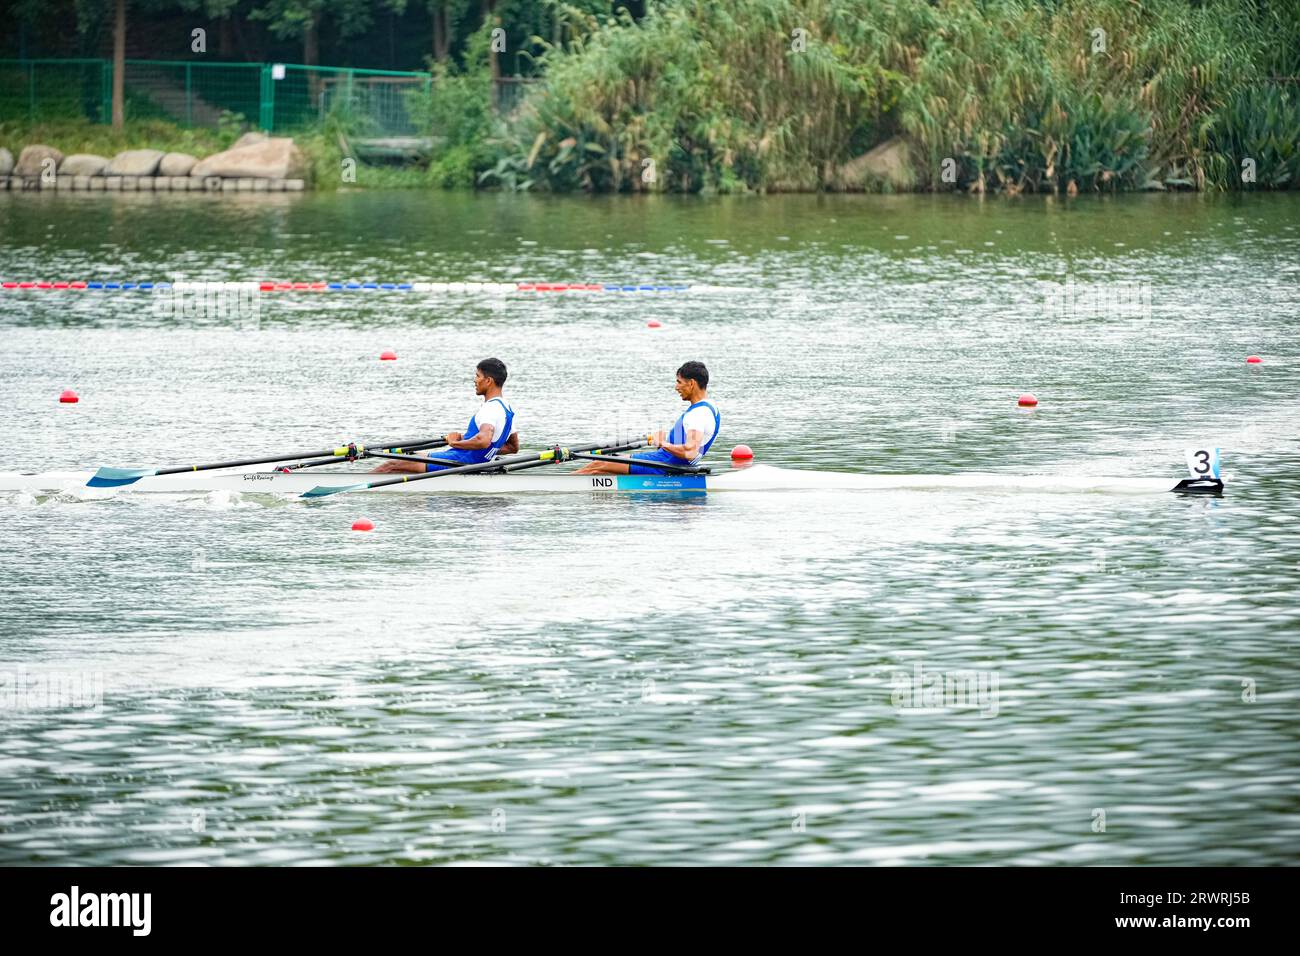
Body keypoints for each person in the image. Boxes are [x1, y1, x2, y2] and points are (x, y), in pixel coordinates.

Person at [370, 358, 518, 473]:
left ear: (488, 381)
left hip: (460, 461)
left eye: (477, 376)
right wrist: (468, 441)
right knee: (410, 455)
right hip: (465, 458)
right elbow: (512, 447)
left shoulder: (490, 409)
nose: (474, 380)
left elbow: (483, 441)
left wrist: (455, 443)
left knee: (392, 464)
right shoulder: (507, 409)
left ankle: (352, 491)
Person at [574, 361, 719, 476]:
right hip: (666, 460)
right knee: (603, 467)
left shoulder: (697, 414)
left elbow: (690, 452)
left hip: (665, 464)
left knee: (598, 464)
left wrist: (662, 443)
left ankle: (556, 487)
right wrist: (667, 440)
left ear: (692, 383)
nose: (676, 387)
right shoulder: (711, 407)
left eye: (679, 382)